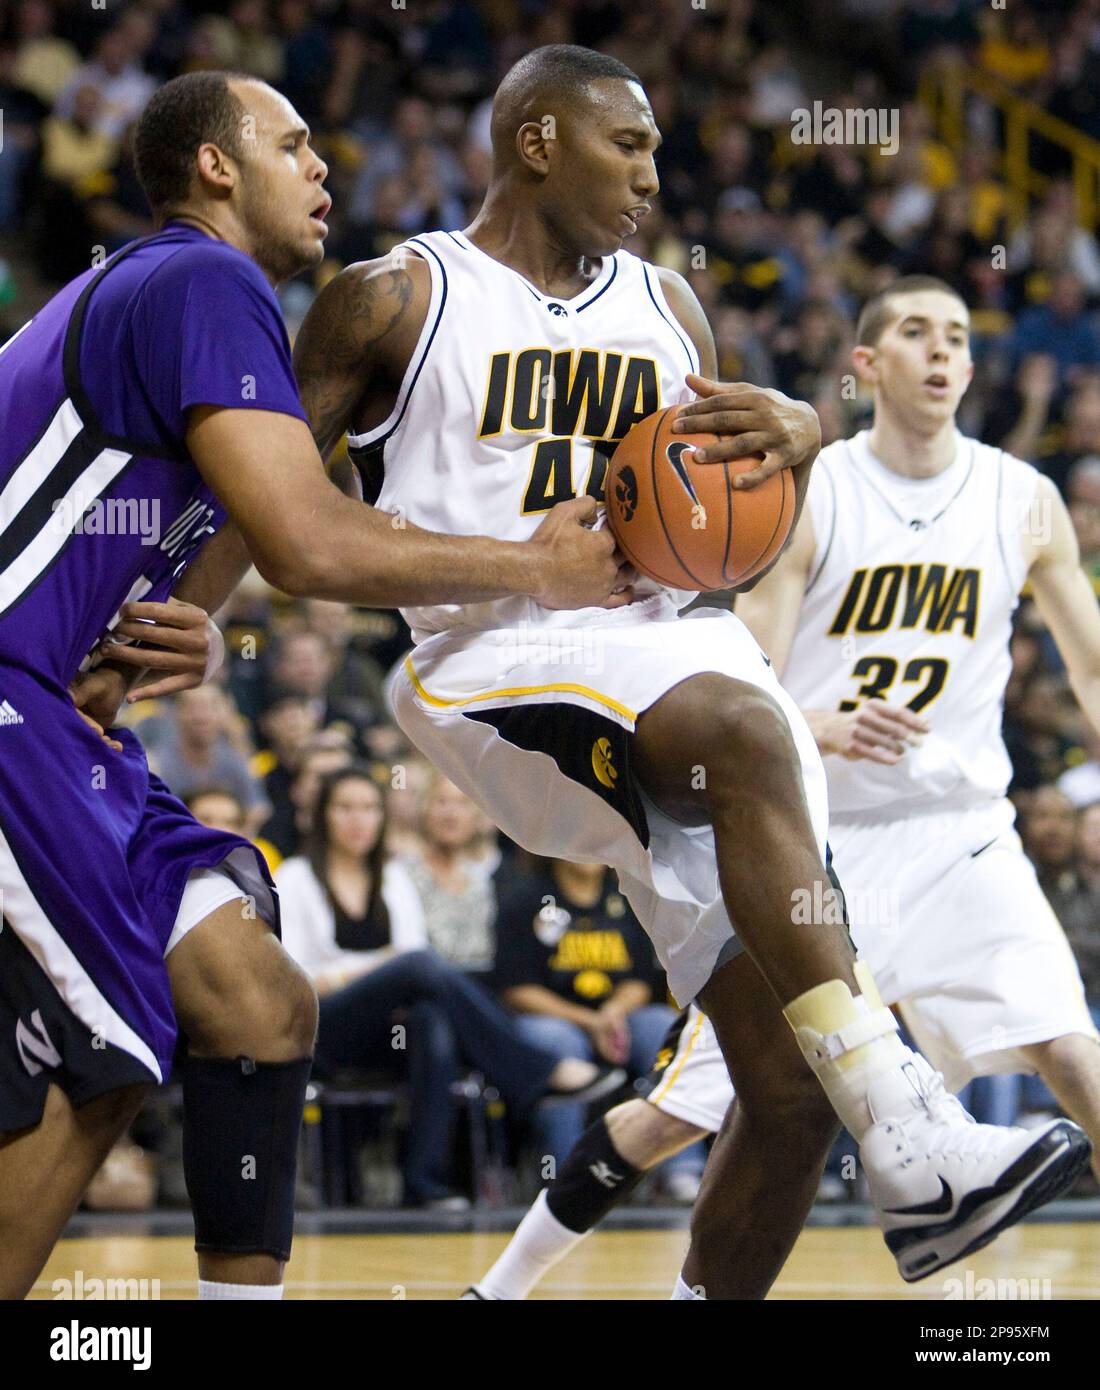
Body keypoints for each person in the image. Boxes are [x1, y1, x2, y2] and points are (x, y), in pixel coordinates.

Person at [292, 46, 1087, 1298]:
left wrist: (802, 434)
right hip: (489, 658)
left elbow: (717, 505)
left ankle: (872, 1131)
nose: (655, 175)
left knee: (780, 1087)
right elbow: (289, 530)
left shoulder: (668, 307)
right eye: (630, 145)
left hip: (654, 647)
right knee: (744, 722)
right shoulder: (395, 298)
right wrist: (516, 565)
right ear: (539, 140)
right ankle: (909, 1118)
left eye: (661, 149)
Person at [0, 68, 621, 1302]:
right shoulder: (203, 276)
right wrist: (536, 568)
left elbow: (165, 518)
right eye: (292, 145)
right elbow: (306, 539)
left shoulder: (140, 289)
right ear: (217, 168)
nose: (323, 168)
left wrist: (164, 616)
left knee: (256, 996)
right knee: (108, 1052)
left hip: (61, 720)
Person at [467, 272, 1100, 1300]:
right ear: (864, 365)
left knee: (1077, 1059)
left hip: (961, 836)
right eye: (910, 332)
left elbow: (1088, 666)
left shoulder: (1020, 499)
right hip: (812, 849)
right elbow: (744, 679)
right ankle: (498, 1287)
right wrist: (821, 725)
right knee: (676, 1112)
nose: (939, 351)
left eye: (954, 335)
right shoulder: (807, 493)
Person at [275, 767, 624, 1206]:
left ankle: (424, 1184)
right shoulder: (295, 876)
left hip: (384, 1031)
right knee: (421, 966)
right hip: (319, 1028)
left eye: (368, 808)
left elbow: (408, 963)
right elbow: (295, 980)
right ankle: (540, 1071)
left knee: (432, 1020)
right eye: (344, 808)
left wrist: (383, 970)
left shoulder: (391, 876)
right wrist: (370, 971)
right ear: (322, 816)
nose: (358, 819)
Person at [495, 856, 704, 1197]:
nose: (587, 851)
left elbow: (642, 979)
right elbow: (516, 989)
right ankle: (567, 1176)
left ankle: (680, 1169)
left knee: (664, 1026)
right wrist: (589, 1022)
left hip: (615, 1017)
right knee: (558, 1043)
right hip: (554, 1019)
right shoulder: (525, 899)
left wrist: (612, 1012)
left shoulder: (627, 897)